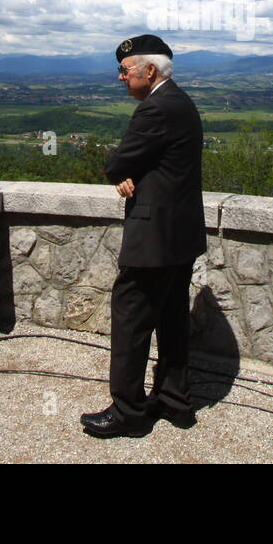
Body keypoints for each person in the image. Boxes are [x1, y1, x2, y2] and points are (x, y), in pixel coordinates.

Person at [80, 34, 206, 438]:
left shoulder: (154, 109)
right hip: (180, 234)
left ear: (149, 70)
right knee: (171, 320)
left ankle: (129, 412)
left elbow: (117, 164)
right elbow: (153, 163)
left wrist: (123, 173)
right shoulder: (181, 101)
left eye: (124, 69)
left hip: (153, 237)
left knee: (132, 319)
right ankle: (175, 401)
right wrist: (132, 171)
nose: (120, 77)